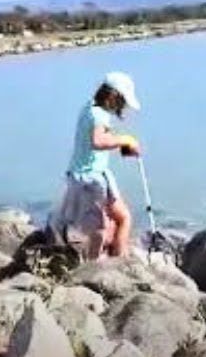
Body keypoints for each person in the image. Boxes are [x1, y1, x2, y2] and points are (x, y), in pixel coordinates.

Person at [49, 72, 142, 260]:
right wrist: (123, 139)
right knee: (102, 228)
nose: (123, 107)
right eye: (122, 101)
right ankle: (101, 265)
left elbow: (97, 141)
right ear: (114, 96)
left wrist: (123, 145)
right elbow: (97, 141)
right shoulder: (98, 114)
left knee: (121, 218)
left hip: (93, 174)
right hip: (89, 179)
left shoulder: (90, 108)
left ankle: (114, 257)